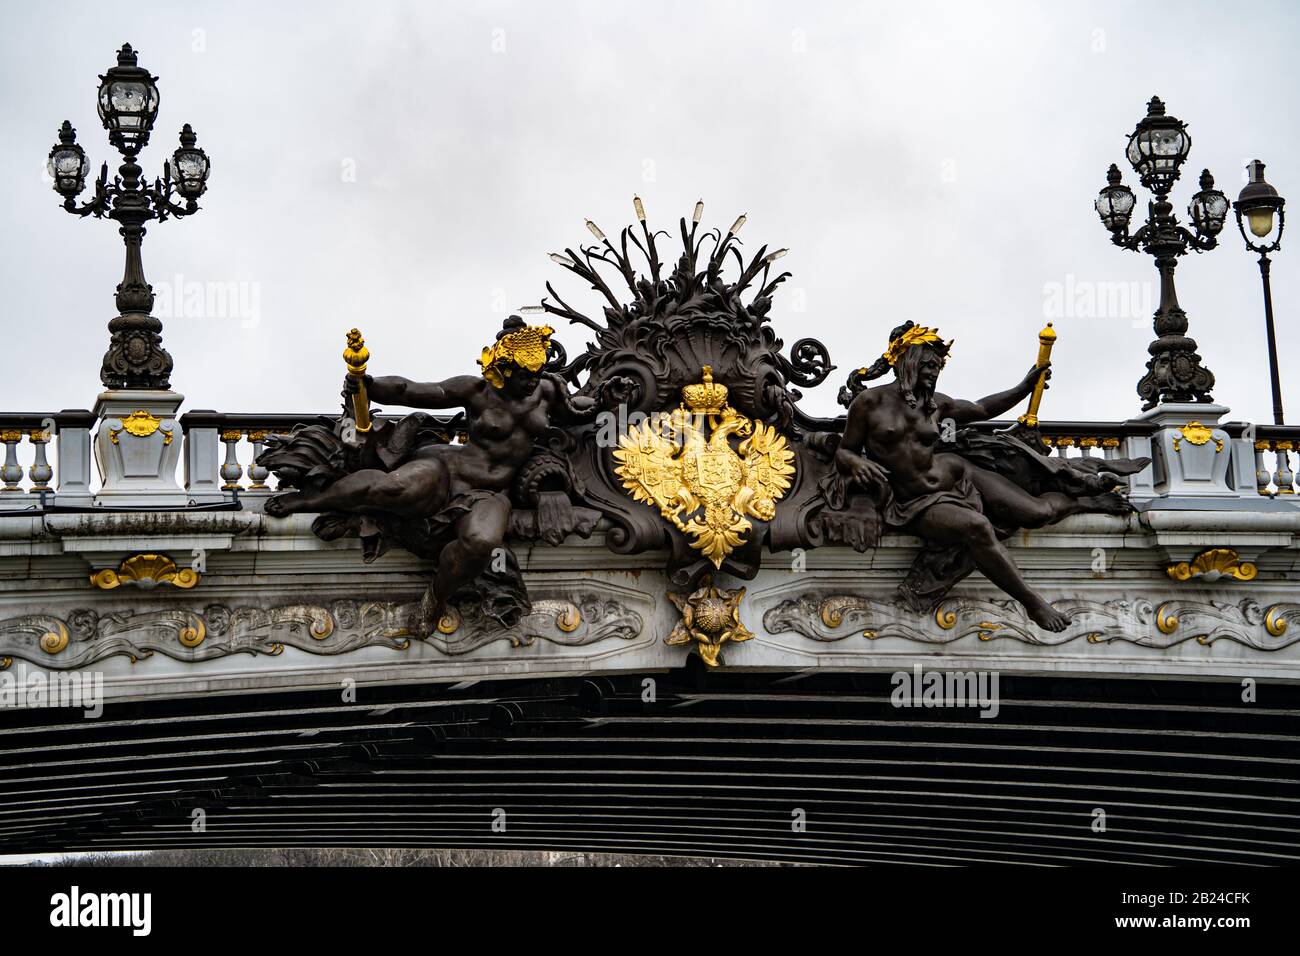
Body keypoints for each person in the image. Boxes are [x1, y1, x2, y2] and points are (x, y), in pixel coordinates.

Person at [834, 322, 1115, 631]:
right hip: (915, 503)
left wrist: (1024, 387)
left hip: (957, 473)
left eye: (938, 367)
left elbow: (981, 409)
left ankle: (1085, 501)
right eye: (928, 364)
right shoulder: (869, 403)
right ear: (908, 360)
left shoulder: (934, 403)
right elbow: (845, 450)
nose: (933, 372)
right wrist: (856, 463)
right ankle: (1033, 603)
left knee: (1036, 513)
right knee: (977, 527)